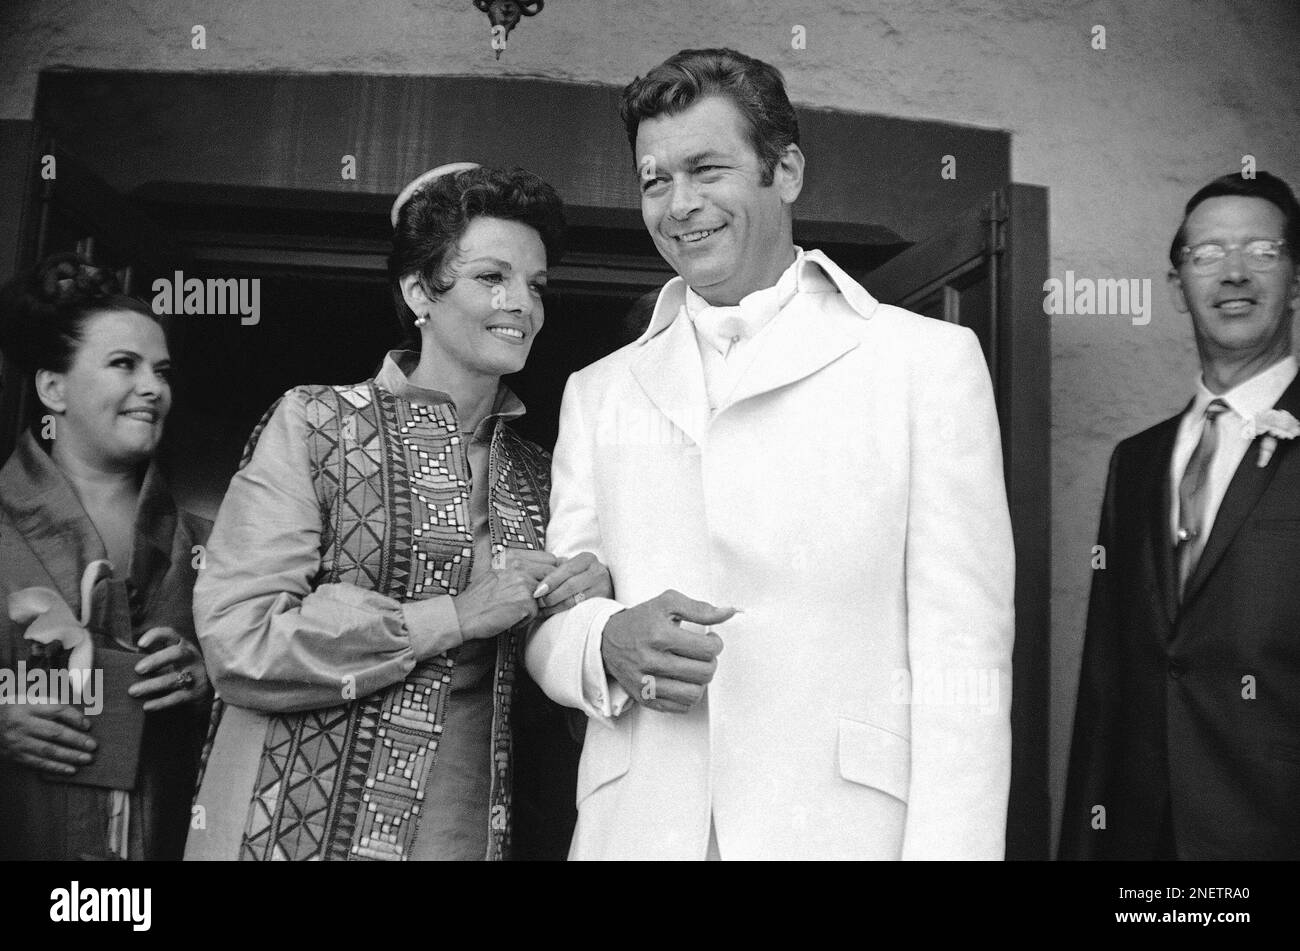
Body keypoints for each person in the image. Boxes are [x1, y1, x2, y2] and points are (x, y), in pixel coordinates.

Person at [526, 48, 1015, 860]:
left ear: (784, 169)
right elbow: (552, 615)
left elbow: (964, 660)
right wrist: (604, 639)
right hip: (639, 832)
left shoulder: (926, 363)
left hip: (845, 834)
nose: (680, 206)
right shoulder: (598, 391)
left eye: (706, 169)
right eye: (655, 180)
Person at [185, 163, 612, 861]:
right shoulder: (318, 424)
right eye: (491, 278)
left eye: (536, 286)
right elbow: (239, 639)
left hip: (458, 832)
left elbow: (550, 703)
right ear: (420, 290)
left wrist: (584, 611)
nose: (522, 305)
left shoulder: (543, 475)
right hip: (286, 830)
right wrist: (453, 616)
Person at [1060, 171, 1300, 860]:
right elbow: (1105, 684)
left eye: (1261, 250)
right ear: (1176, 287)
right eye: (1206, 254)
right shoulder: (1134, 463)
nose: (1233, 272)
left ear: (1296, 277)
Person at [0, 253, 212, 860]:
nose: (153, 388)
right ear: (52, 387)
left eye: (162, 371)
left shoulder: (211, 546)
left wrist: (212, 685)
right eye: (125, 364)